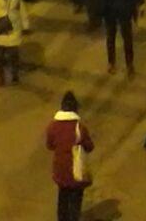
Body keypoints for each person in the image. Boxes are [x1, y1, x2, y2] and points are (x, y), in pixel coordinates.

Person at [45, 91, 94, 221]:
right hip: (76, 171)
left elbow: (49, 145)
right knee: (75, 201)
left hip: (60, 169)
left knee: (62, 198)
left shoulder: (52, 126)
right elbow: (89, 147)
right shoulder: (80, 128)